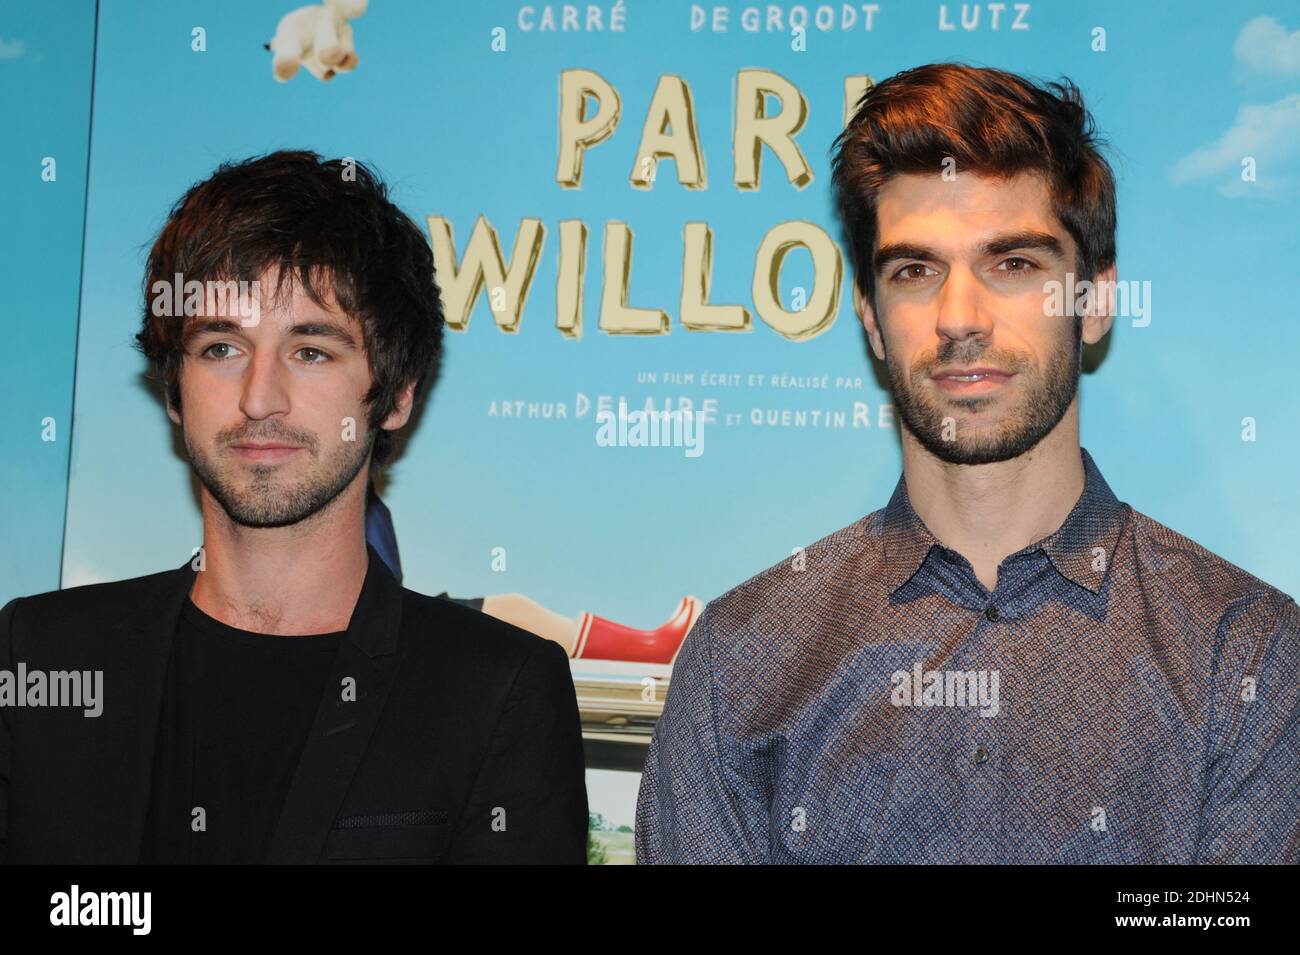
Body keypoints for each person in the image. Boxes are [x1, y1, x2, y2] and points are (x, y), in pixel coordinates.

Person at [635, 63, 1299, 864]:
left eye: (1013, 263)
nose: (958, 318)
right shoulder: (738, 662)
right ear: (872, 321)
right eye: (914, 271)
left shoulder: (1247, 656)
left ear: (1094, 301)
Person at [0, 151, 587, 864]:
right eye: (221, 347)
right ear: (174, 391)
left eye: (310, 351)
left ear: (397, 395)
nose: (258, 397)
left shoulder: (498, 690)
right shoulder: (43, 653)